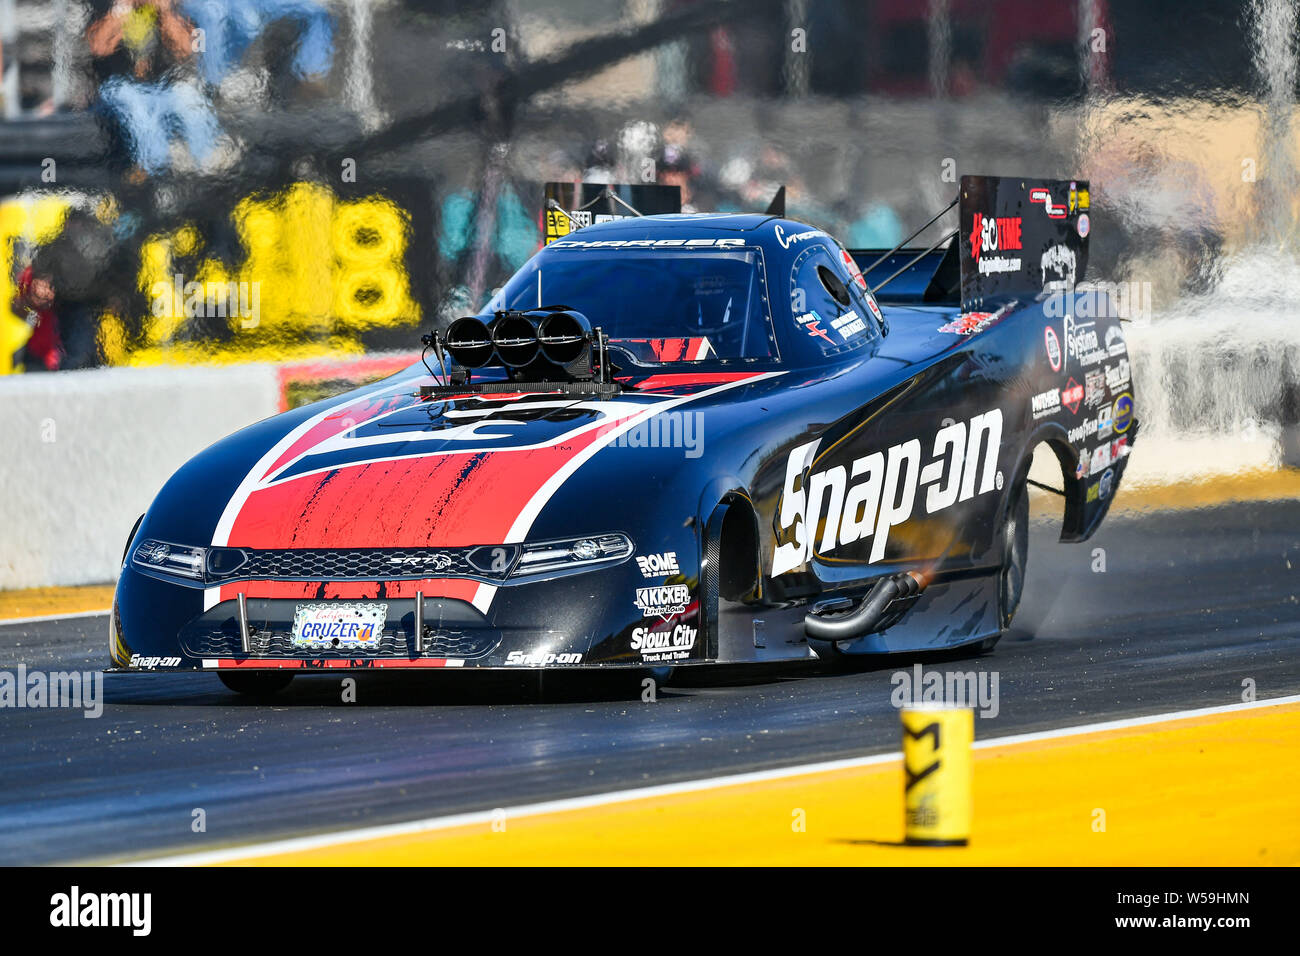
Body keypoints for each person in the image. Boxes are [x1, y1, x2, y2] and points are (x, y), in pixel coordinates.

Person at [88, 0, 221, 177]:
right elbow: (98, 48)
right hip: (122, 84)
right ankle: (156, 168)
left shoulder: (174, 8)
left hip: (165, 85)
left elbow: (187, 51)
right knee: (135, 106)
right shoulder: (105, 6)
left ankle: (207, 165)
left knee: (191, 99)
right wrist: (120, 11)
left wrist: (166, 13)